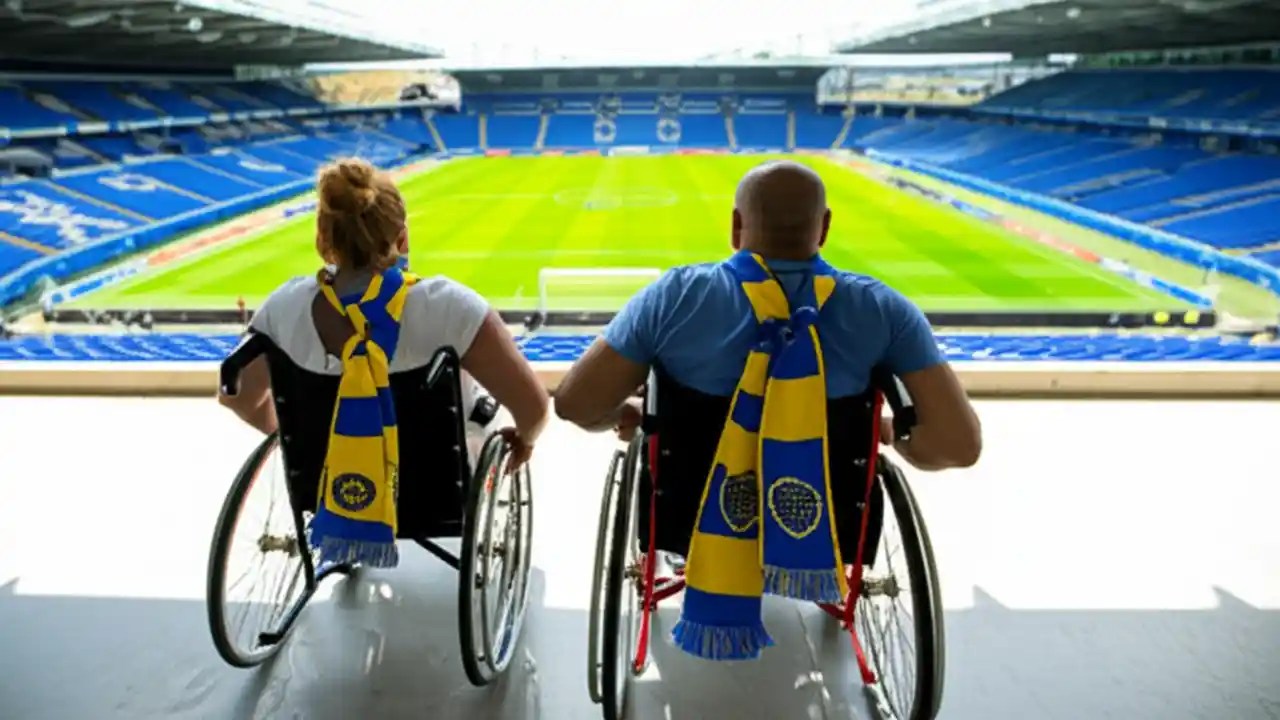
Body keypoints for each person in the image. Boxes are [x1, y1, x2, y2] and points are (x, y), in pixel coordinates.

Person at [554, 159, 980, 472]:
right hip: (829, 519)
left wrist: (625, 413)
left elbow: (575, 403)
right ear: (824, 227)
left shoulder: (673, 297)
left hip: (691, 513)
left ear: (736, 226)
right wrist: (889, 435)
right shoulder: (886, 310)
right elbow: (959, 445)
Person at [218, 158, 549, 474]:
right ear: (401, 239)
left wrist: (297, 444)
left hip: (330, 490)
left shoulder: (282, 309)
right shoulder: (453, 308)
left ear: (323, 239)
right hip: (435, 497)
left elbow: (236, 396)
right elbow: (533, 409)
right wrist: (525, 442)